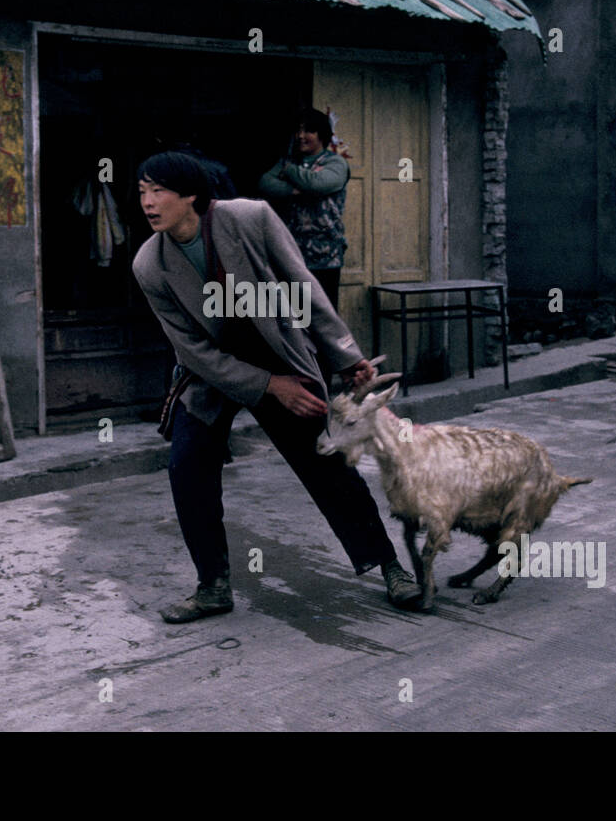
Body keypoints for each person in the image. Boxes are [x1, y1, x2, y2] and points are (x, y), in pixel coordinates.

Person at [131, 151, 422, 623]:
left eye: (158, 190)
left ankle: (390, 567)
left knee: (323, 460)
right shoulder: (150, 264)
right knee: (187, 466)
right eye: (142, 191)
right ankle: (213, 586)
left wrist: (346, 358)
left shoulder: (250, 219)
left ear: (191, 196)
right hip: (212, 371)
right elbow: (192, 351)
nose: (147, 202)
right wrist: (268, 387)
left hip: (276, 349)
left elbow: (302, 285)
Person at [255, 108, 349, 309]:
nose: (301, 136)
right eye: (298, 131)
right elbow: (265, 183)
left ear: (321, 134)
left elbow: (317, 184)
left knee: (324, 316)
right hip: (291, 252)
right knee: (295, 315)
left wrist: (289, 171)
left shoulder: (336, 163)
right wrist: (294, 190)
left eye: (308, 131)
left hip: (325, 256)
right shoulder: (290, 161)